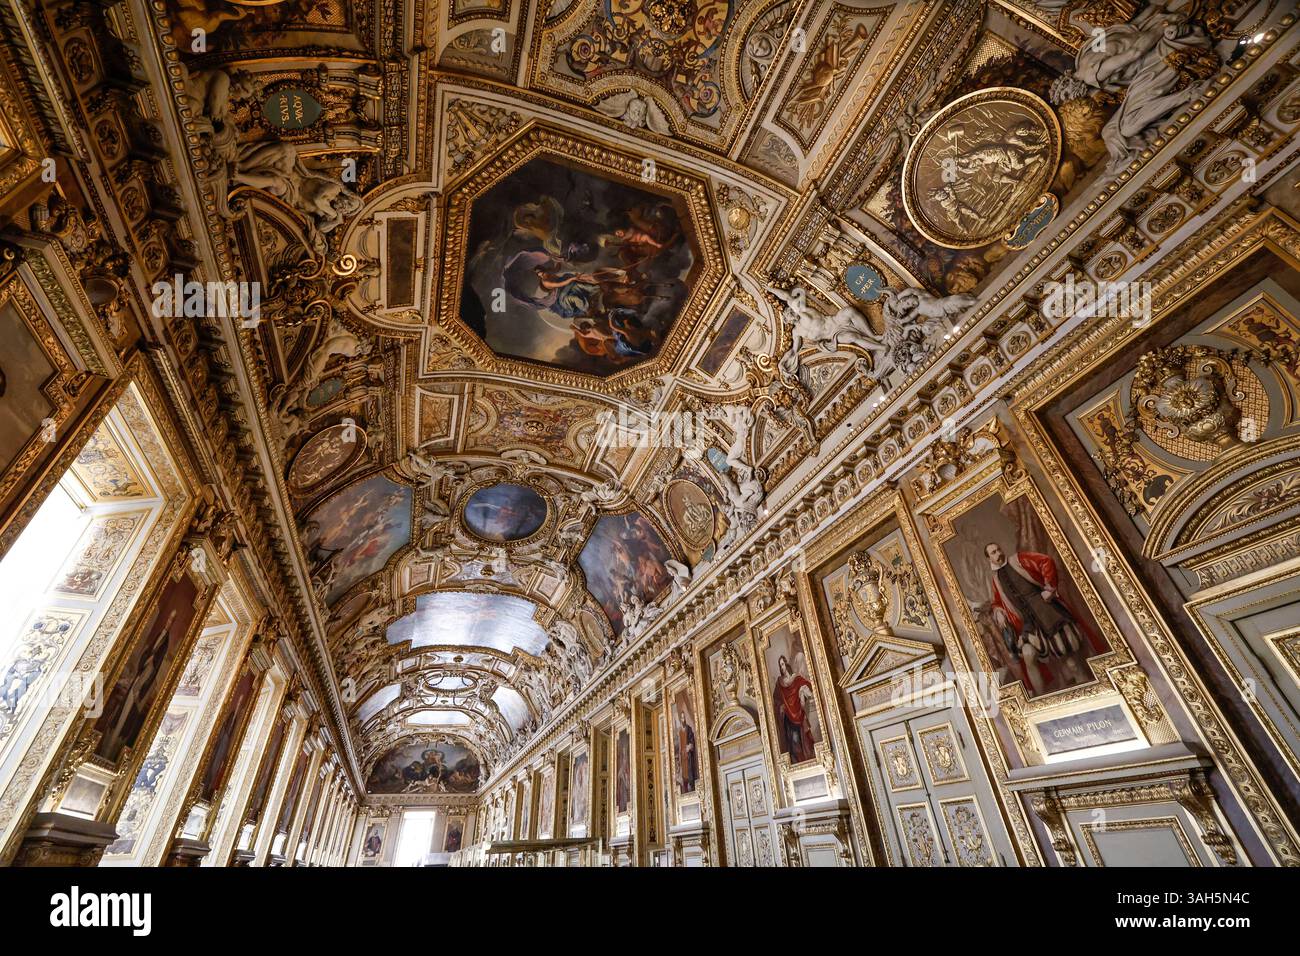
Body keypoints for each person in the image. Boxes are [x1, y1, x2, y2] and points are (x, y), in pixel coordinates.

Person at [982, 542, 1106, 695]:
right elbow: (996, 602)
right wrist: (999, 612)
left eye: (998, 549)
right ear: (989, 559)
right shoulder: (996, 579)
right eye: (993, 553)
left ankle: (1091, 694)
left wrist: (1049, 588)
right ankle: (1041, 699)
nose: (998, 553)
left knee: (1071, 662)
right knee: (1028, 655)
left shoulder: (1019, 559)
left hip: (1047, 614)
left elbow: (1046, 561)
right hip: (1029, 624)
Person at [772, 655, 817, 762]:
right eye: (780, 665)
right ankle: (799, 762)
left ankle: (806, 760)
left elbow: (808, 686)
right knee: (793, 741)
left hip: (798, 713)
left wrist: (802, 692)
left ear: (787, 664)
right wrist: (781, 706)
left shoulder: (796, 678)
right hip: (788, 716)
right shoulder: (780, 682)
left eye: (783, 664)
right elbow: (776, 699)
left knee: (801, 739)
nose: (782, 667)